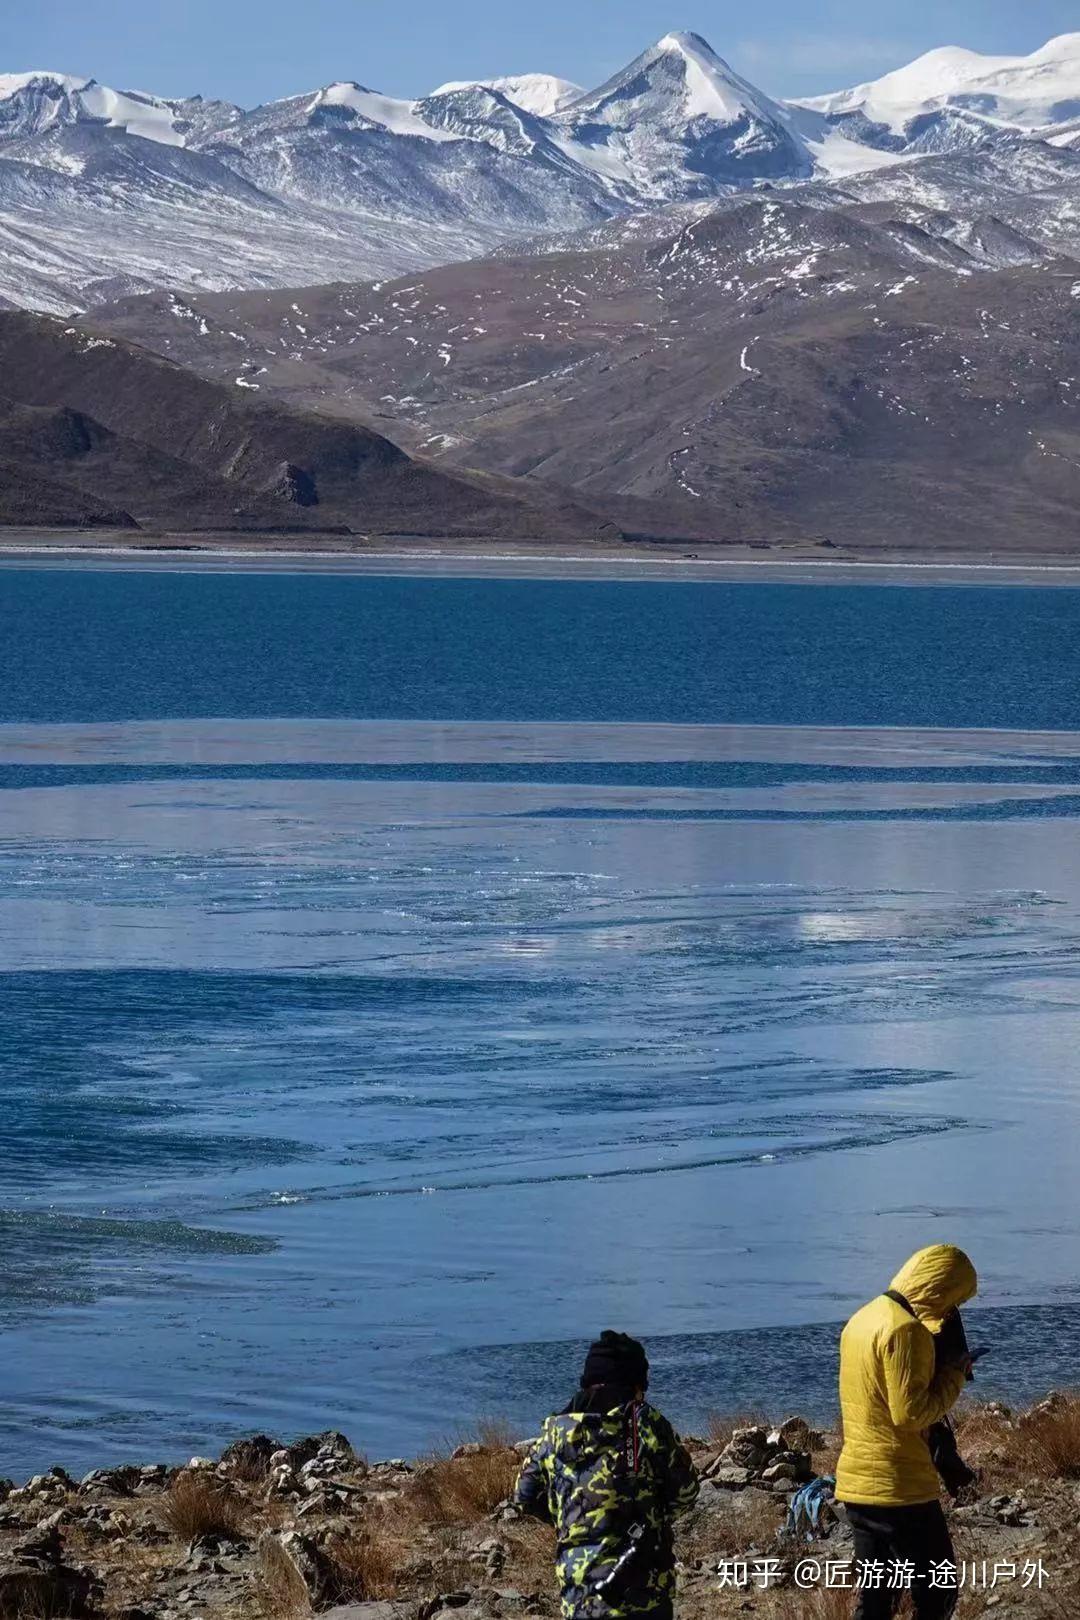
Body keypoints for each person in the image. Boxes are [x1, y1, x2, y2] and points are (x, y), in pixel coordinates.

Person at [835, 1244, 978, 1620]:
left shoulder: (860, 1320)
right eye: (953, 1299)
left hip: (857, 1484)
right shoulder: (907, 1330)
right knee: (939, 1594)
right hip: (900, 1488)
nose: (952, 1311)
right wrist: (953, 1376)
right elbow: (911, 1413)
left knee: (877, 1600)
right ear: (939, 1287)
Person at [514, 1330, 699, 1619]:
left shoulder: (554, 1432)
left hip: (580, 1590)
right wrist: (653, 1516)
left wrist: (569, 1518)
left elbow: (524, 1494)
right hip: (643, 1587)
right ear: (634, 1383)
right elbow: (687, 1491)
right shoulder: (646, 1423)